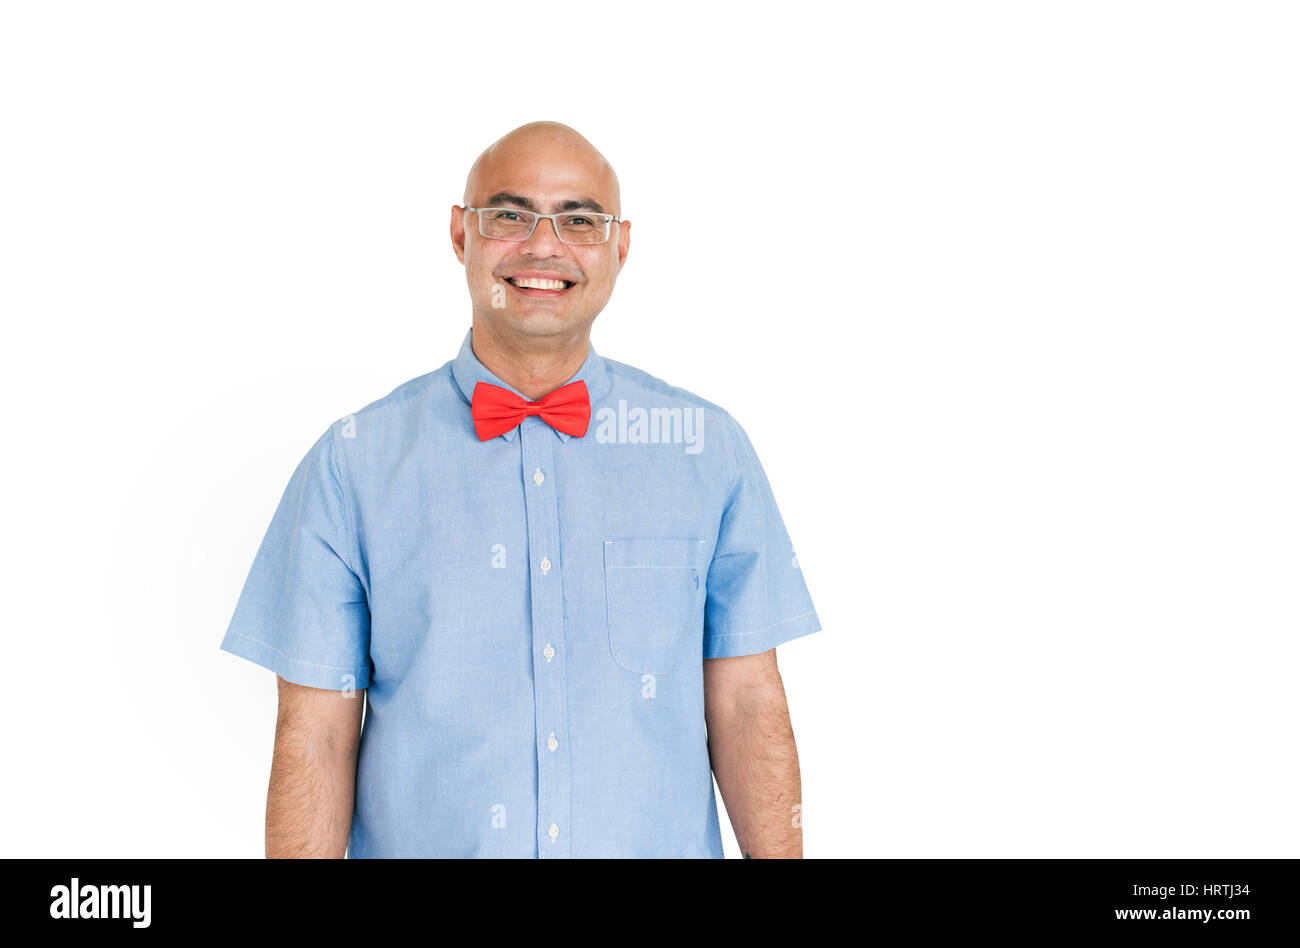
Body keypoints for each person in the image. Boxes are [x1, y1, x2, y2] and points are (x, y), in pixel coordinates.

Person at [220, 121, 822, 858]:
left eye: (579, 220)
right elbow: (314, 734)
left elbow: (748, 702)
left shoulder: (707, 450)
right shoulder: (351, 466)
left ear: (619, 246)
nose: (544, 245)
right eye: (508, 216)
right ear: (458, 234)